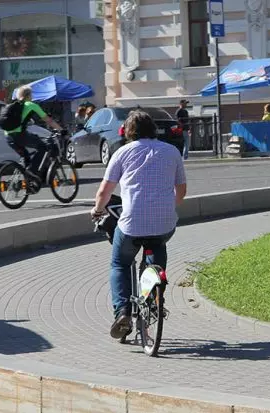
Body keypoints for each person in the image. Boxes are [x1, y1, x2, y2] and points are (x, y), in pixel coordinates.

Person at [91, 110, 187, 340]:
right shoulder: (171, 151)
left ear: (127, 132)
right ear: (154, 130)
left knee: (119, 263)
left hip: (132, 223)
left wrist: (97, 210)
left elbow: (105, 191)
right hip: (164, 222)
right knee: (157, 248)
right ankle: (153, 297)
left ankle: (122, 312)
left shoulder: (122, 153)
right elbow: (181, 190)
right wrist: (167, 206)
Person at [4, 85, 63, 181]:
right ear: (28, 95)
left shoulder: (11, 106)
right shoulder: (31, 105)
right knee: (42, 147)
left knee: (25, 156)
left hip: (8, 137)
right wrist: (61, 129)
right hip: (20, 136)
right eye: (32, 94)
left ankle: (27, 181)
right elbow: (48, 120)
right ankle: (31, 171)